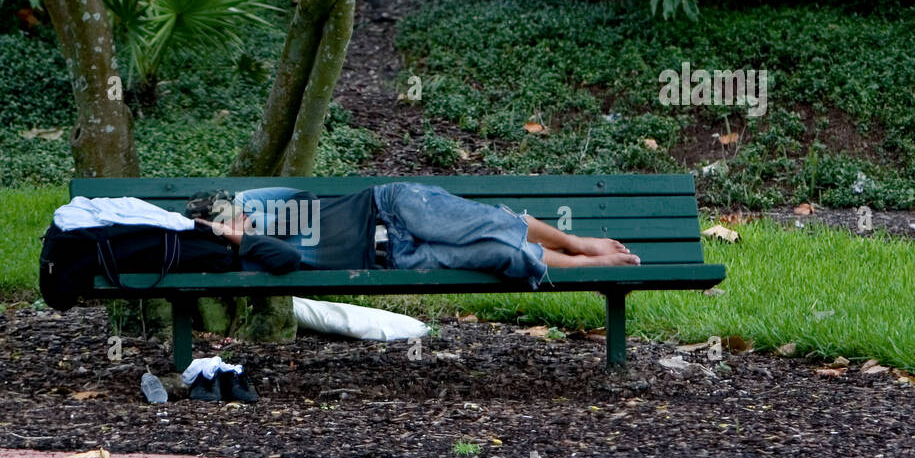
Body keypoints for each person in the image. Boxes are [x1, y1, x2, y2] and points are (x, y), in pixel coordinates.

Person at [193, 183, 640, 289]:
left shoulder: (258, 203)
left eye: (231, 212)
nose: (238, 220)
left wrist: (252, 218)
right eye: (227, 223)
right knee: (497, 255)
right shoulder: (247, 255)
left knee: (482, 223)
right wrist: (241, 241)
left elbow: (305, 199)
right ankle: (584, 265)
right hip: (392, 260)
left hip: (391, 207)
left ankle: (577, 243)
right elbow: (287, 260)